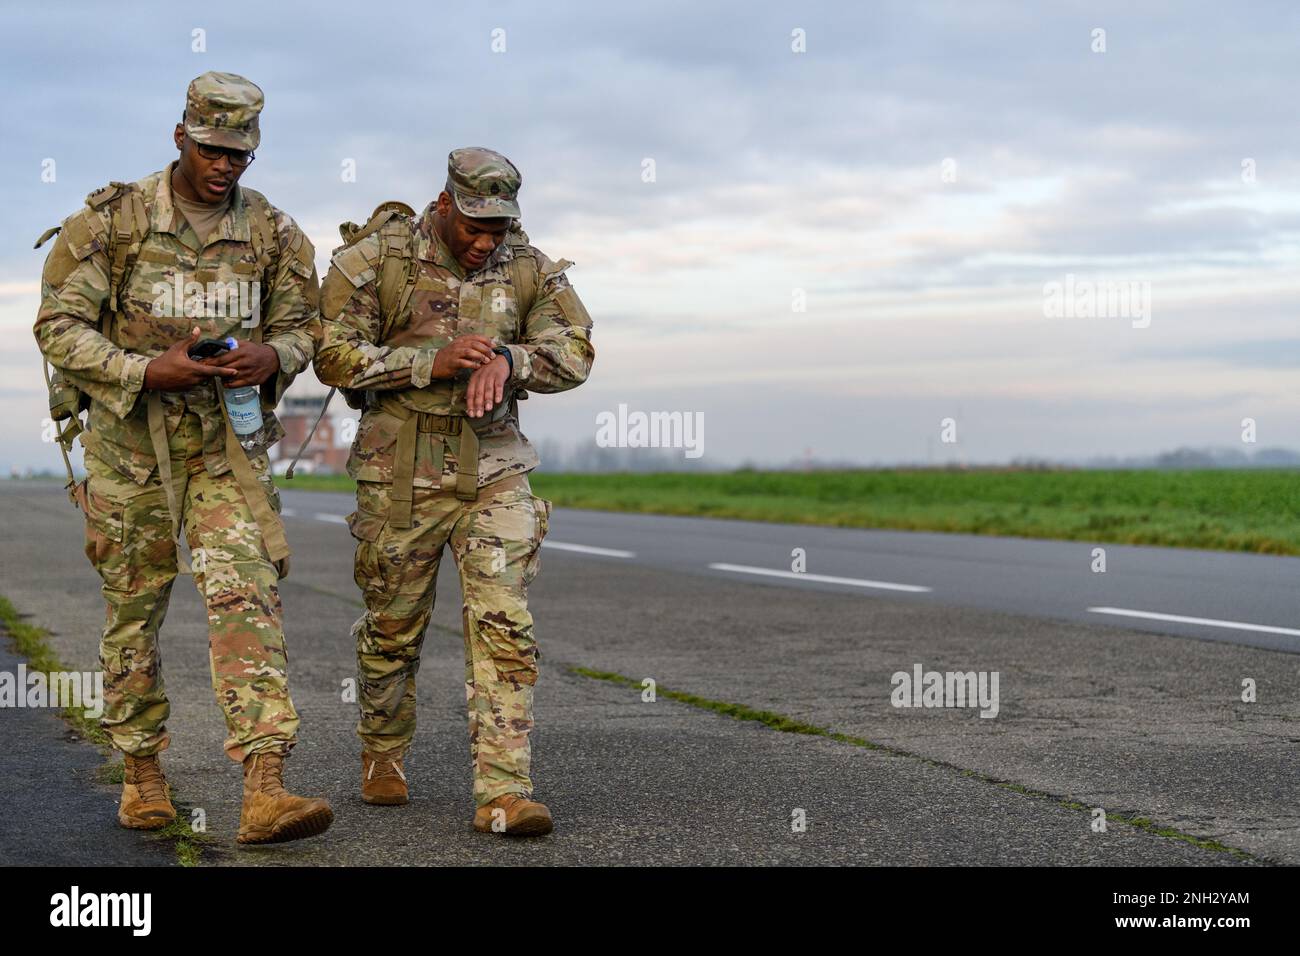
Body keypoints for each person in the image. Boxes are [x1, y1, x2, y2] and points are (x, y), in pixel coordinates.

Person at [33, 71, 332, 845]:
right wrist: (144, 371)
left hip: (226, 456)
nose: (225, 166)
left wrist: (273, 353)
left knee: (248, 600)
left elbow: (310, 329)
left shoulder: (274, 234)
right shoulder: (112, 222)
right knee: (134, 613)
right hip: (130, 455)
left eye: (239, 153)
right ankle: (140, 772)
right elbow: (58, 327)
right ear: (180, 137)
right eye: (211, 149)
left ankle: (265, 785)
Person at [314, 147, 595, 836]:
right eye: (473, 225)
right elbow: (329, 353)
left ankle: (504, 790)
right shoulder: (374, 261)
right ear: (444, 204)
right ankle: (382, 750)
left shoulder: (527, 267)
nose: (483, 241)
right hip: (398, 471)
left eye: (497, 228)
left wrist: (510, 357)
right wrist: (426, 362)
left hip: (493, 464)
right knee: (392, 627)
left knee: (503, 621)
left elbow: (578, 348)